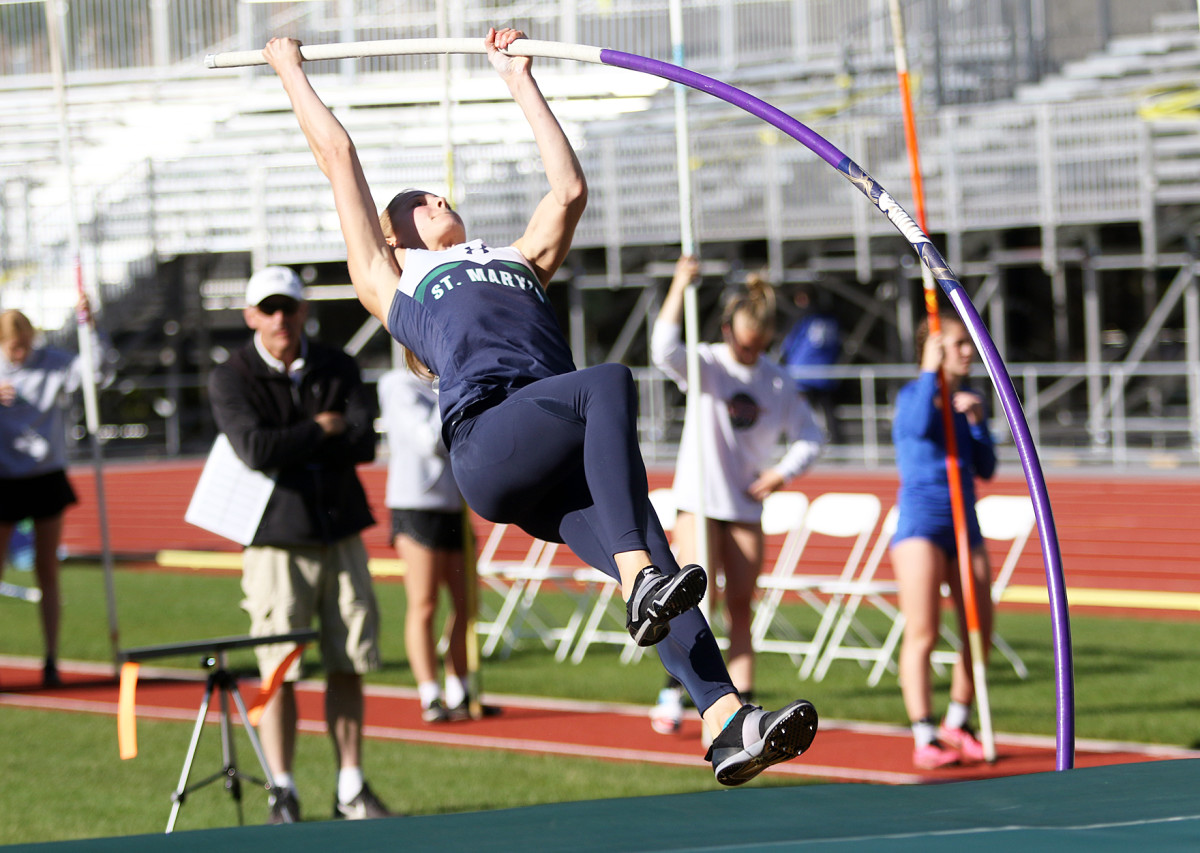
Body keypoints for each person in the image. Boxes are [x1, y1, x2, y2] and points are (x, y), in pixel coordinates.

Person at [262, 27, 818, 786]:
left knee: (658, 555)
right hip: (490, 440)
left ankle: (725, 721)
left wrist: (517, 78)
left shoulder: (519, 260)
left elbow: (569, 191)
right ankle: (639, 583)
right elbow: (339, 157)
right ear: (395, 237)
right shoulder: (394, 281)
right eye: (416, 204)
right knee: (608, 384)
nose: (435, 196)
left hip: (549, 448)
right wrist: (290, 71)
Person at [207, 265, 392, 822]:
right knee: (278, 668)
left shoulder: (337, 363)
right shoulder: (232, 376)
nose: (280, 318)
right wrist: (321, 428)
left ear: (304, 310)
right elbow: (256, 449)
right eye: (269, 309)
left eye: (288, 307)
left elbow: (362, 442)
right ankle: (282, 789)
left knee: (349, 660)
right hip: (275, 541)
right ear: (250, 316)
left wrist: (309, 437)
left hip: (339, 531)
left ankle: (351, 786)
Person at [648, 256, 824, 734]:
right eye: (744, 344)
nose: (748, 354)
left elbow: (811, 435)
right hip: (699, 501)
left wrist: (780, 474)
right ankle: (675, 692)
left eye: (758, 346)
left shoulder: (775, 380)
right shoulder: (706, 363)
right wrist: (679, 283)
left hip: (744, 506)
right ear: (728, 330)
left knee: (741, 604)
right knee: (690, 603)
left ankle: (743, 703)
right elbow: (663, 349)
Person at [890, 312, 996, 770]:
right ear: (934, 350)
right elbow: (915, 426)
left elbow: (987, 467)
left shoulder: (964, 402)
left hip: (964, 524)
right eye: (957, 344)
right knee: (924, 632)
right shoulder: (914, 395)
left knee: (979, 629)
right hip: (922, 526)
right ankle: (924, 731)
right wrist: (928, 373)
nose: (967, 351)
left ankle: (959, 719)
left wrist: (976, 422)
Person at [0, 299, 107, 688]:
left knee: (48, 569)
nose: (22, 353)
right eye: (14, 347)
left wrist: (90, 328)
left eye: (26, 344)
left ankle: (51, 657)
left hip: (45, 476)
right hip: (4, 479)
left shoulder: (53, 362)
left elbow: (94, 375)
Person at [377, 367, 473, 723]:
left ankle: (461, 689)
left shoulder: (450, 382)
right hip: (416, 505)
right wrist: (451, 390)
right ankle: (429, 693)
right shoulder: (397, 385)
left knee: (465, 603)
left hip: (456, 505)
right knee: (425, 602)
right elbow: (429, 441)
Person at [778, 283, 842, 443]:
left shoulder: (803, 318)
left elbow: (788, 344)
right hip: (824, 373)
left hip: (802, 374)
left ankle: (803, 441)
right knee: (827, 410)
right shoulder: (831, 318)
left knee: (800, 412)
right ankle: (835, 441)